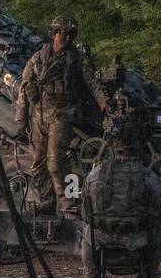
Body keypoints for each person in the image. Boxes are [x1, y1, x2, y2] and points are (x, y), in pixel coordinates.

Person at [14, 15, 110, 214]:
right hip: (39, 116)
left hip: (63, 115)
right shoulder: (39, 58)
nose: (67, 39)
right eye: (64, 34)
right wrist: (21, 119)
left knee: (56, 161)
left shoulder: (76, 60)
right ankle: (47, 201)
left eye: (71, 35)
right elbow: (24, 88)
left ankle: (69, 203)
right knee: (37, 164)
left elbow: (92, 83)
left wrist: (104, 102)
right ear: (54, 34)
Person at [80, 104, 161, 278]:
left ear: (113, 146)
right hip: (136, 244)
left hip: (102, 243)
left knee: (86, 230)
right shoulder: (148, 177)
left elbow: (85, 212)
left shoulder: (94, 175)